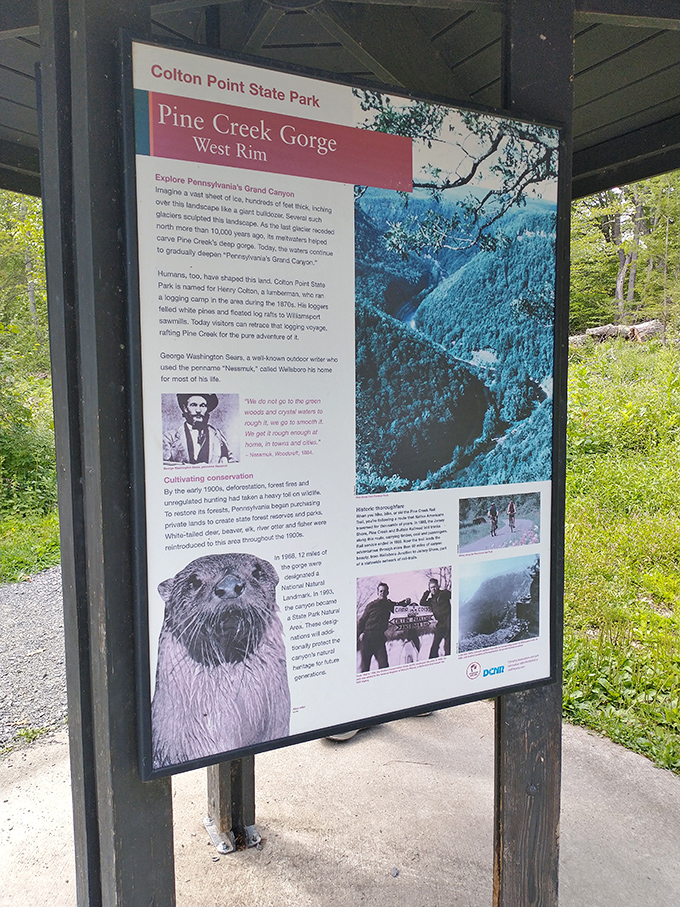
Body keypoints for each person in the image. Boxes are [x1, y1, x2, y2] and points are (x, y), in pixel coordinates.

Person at [163, 393, 233, 465]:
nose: (198, 410)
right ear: (185, 408)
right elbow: (163, 465)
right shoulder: (170, 437)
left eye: (203, 406)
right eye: (193, 405)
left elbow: (232, 462)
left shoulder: (218, 436)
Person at [357, 582, 411, 673]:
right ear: (377, 592)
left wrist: (405, 602)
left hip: (379, 640)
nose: (383, 593)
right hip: (367, 639)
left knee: (384, 667)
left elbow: (397, 606)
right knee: (365, 669)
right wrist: (359, 635)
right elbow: (362, 621)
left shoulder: (388, 604)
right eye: (381, 591)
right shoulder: (371, 605)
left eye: (385, 591)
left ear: (387, 593)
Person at [420, 577, 451, 659]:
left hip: (448, 620)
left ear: (438, 586)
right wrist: (427, 592)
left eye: (434, 587)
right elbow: (422, 603)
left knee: (447, 646)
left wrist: (446, 591)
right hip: (440, 623)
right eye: (431, 587)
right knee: (434, 646)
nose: (433, 589)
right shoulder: (431, 600)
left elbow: (452, 595)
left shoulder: (443, 594)